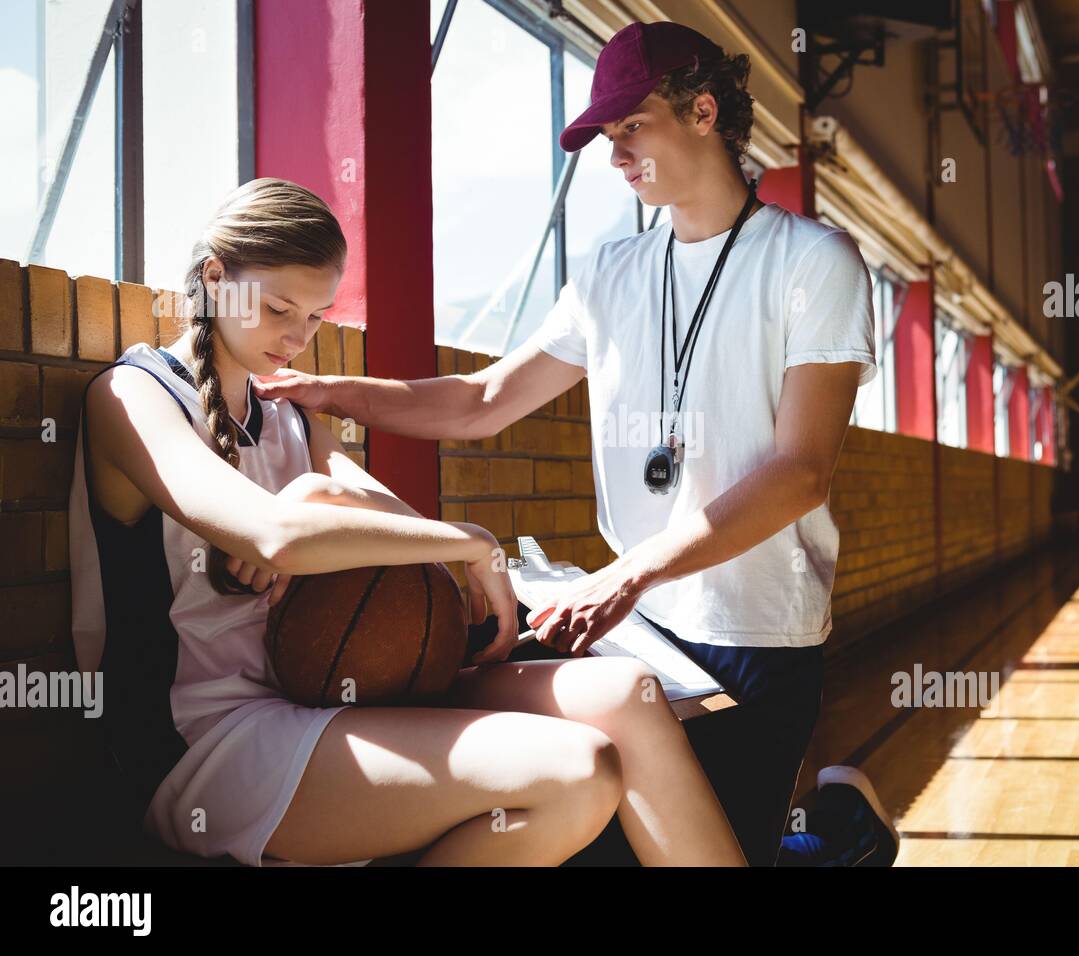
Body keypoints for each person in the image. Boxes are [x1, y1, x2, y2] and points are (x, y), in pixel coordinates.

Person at [255, 20, 901, 867]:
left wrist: (627, 574)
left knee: (723, 854)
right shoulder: (610, 273)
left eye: (633, 125)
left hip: (756, 633)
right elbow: (483, 399)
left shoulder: (814, 263)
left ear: (704, 111)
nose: (615, 152)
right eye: (606, 135)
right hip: (637, 630)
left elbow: (802, 474)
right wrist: (337, 391)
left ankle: (845, 833)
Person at [68, 176, 746, 867]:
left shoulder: (290, 416)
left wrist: (319, 495)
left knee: (626, 693)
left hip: (321, 683)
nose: (298, 337)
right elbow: (272, 536)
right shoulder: (133, 396)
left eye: (316, 317)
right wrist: (471, 542)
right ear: (216, 279)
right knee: (577, 773)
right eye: (278, 309)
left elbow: (392, 523)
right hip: (205, 738)